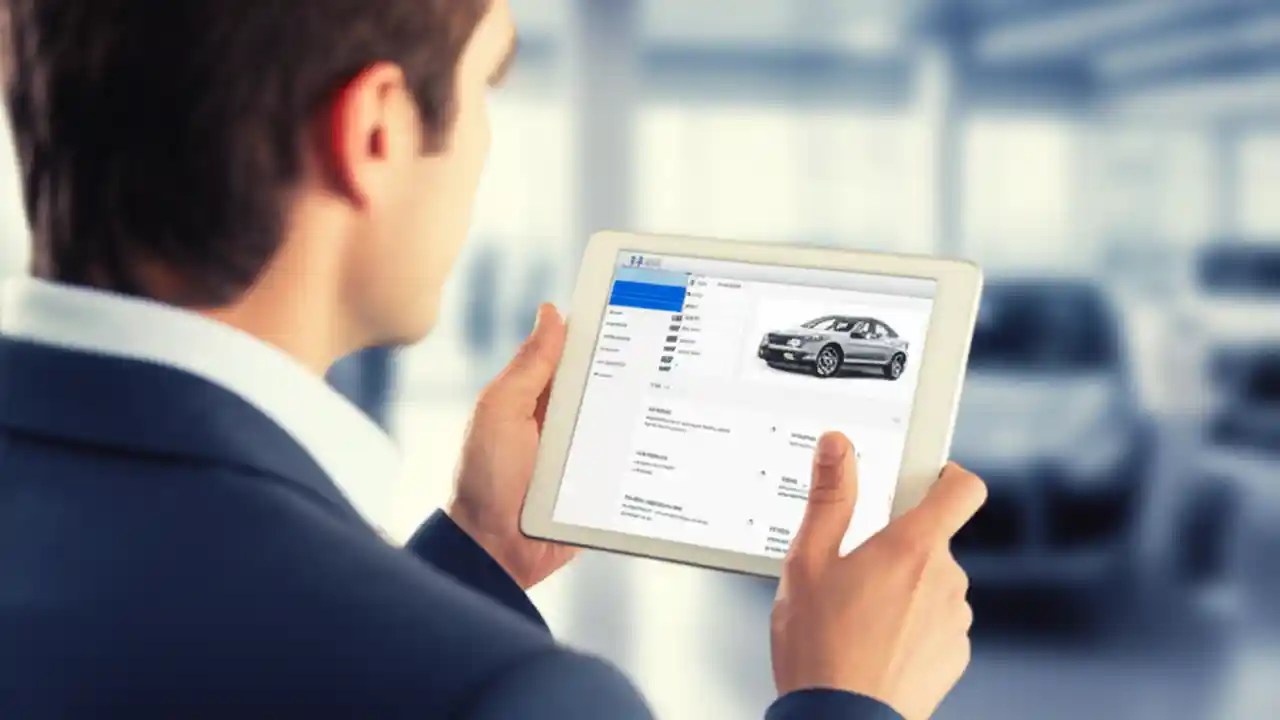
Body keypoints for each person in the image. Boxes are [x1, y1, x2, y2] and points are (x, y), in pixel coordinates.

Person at [0, 1, 987, 718]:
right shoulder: (512, 697)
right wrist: (846, 702)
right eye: (485, 87)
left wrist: (472, 557)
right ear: (377, 131)